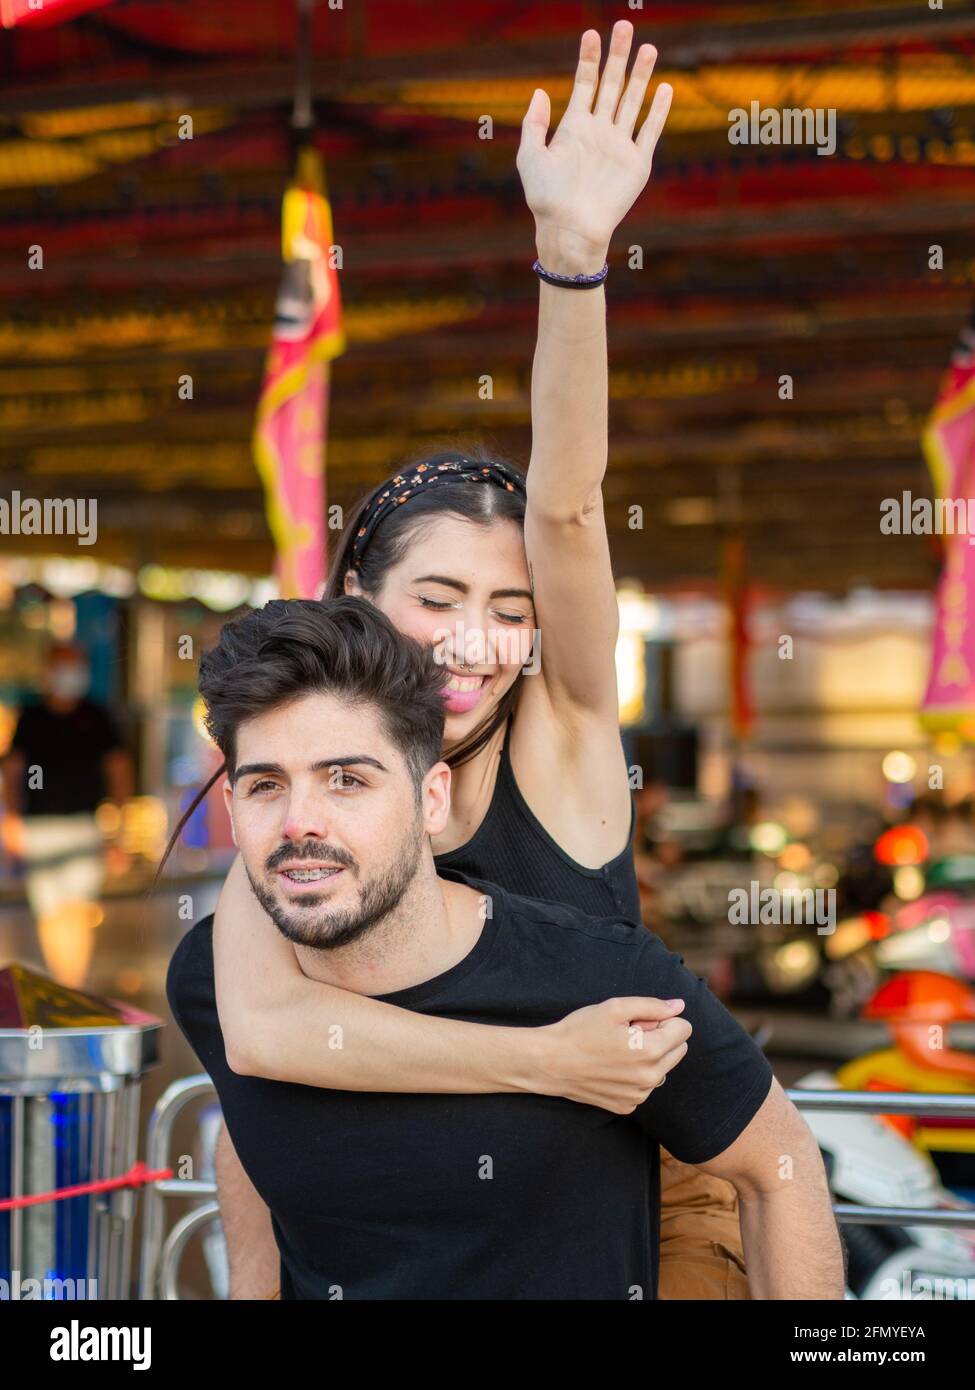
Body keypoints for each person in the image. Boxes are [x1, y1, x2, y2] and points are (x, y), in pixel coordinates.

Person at [165, 21, 750, 1299]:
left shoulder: (566, 728)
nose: (477, 641)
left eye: (512, 607)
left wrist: (573, 261)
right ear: (356, 600)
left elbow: (571, 509)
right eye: (436, 598)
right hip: (405, 1219)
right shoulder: (309, 771)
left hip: (634, 1209)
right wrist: (547, 1058)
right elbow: (264, 1040)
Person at [166, 598, 845, 1300]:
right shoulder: (209, 977)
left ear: (432, 800)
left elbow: (779, 1163)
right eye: (265, 786)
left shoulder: (601, 979)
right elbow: (252, 1137)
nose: (299, 821)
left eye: (348, 780)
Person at [2, 641, 133, 986]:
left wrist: (118, 830)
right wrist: (12, 820)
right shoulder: (31, 717)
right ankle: (65, 984)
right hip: (39, 828)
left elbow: (118, 771)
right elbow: (14, 772)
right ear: (47, 672)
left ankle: (71, 985)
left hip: (83, 826)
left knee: (76, 909)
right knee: (50, 912)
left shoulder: (96, 716)